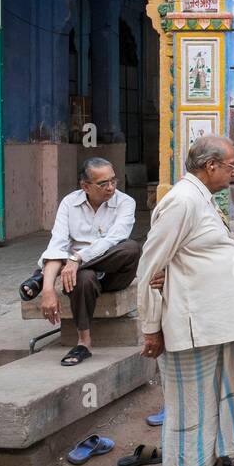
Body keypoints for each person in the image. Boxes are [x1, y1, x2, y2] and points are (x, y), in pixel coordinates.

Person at [136, 136, 234, 466]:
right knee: (187, 405)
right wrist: (151, 327)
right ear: (210, 166)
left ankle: (205, 459)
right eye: (231, 165)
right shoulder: (181, 201)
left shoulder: (202, 197)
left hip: (213, 323)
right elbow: (150, 267)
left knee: (212, 395)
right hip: (190, 325)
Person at [37, 157, 139, 367]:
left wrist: (76, 259)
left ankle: (47, 273)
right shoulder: (69, 203)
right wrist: (48, 290)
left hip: (113, 272)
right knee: (83, 278)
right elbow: (57, 243)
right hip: (82, 273)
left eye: (113, 181)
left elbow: (114, 239)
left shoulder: (125, 202)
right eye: (103, 184)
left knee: (130, 248)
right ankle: (84, 342)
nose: (111, 187)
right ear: (85, 186)